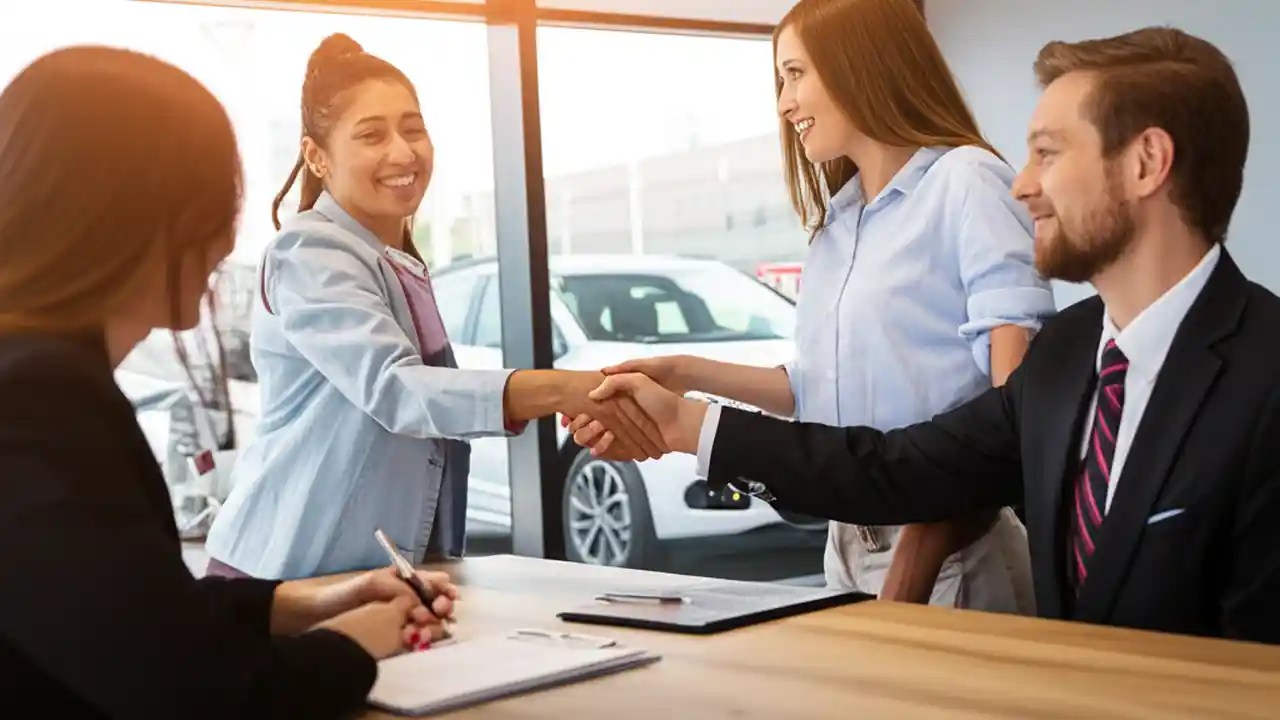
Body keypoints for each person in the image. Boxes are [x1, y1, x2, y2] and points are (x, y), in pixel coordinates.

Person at [576, 26, 1280, 643]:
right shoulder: (1068, 357)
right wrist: (689, 424)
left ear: (1145, 163)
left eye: (1047, 153)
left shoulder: (1266, 378)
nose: (1021, 185)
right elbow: (896, 466)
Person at [0, 47, 460, 718]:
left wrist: (302, 604)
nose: (226, 236)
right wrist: (352, 644)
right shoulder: (39, 404)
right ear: (130, 213)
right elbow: (200, 690)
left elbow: (123, 603)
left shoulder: (42, 381)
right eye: (217, 197)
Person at [587, 0, 1053, 611]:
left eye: (796, 74)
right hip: (846, 543)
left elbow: (1012, 418)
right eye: (781, 81)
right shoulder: (840, 221)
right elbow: (816, 388)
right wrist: (687, 373)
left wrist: (921, 551)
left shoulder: (965, 182)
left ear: (861, 64)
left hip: (949, 551)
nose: (784, 103)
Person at [204, 34, 663, 580]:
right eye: (372, 135)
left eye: (413, 128)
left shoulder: (390, 258)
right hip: (288, 571)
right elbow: (398, 390)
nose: (403, 152)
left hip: (370, 573)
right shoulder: (310, 250)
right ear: (316, 156)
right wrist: (564, 388)